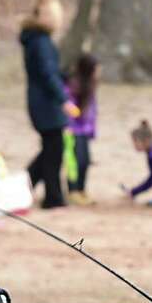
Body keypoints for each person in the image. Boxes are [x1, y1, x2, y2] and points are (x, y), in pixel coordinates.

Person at [19, 0, 76, 210]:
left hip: (43, 101)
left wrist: (66, 76)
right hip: (45, 104)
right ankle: (51, 196)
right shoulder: (40, 42)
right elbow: (46, 74)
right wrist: (64, 99)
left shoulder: (37, 40)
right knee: (53, 149)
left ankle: (31, 186)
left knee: (51, 149)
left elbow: (50, 71)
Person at [64, 53, 99, 206]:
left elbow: (91, 111)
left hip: (84, 130)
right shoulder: (73, 85)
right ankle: (73, 191)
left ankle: (82, 190)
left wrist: (91, 129)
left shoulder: (90, 86)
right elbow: (69, 107)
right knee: (74, 163)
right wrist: (69, 126)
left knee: (85, 162)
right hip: (73, 131)